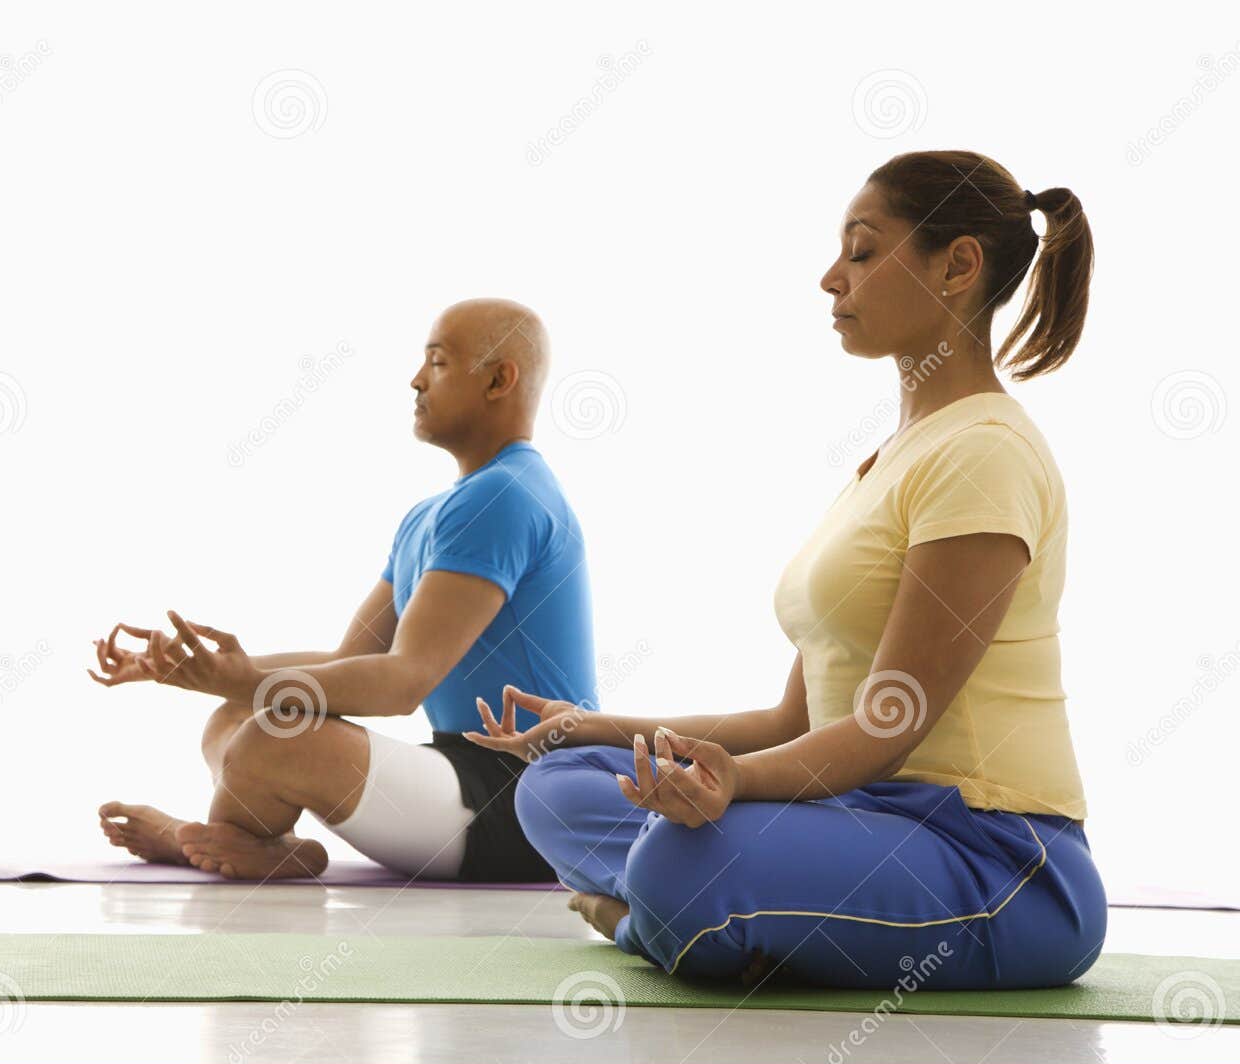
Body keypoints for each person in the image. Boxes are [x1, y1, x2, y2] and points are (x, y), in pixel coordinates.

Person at [467, 151, 1107, 990]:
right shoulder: (890, 462)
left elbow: (887, 726)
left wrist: (730, 786)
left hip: (1000, 859)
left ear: (957, 266)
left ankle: (653, 916)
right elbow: (789, 720)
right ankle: (710, 914)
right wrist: (595, 726)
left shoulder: (983, 453)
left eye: (864, 251)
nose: (830, 278)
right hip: (862, 817)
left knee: (673, 860)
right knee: (556, 786)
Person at [92, 298, 597, 882]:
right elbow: (351, 662)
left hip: (528, 798)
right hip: (461, 775)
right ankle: (250, 841)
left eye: (437, 362)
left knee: (268, 729)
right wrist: (203, 670)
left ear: (498, 379)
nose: (415, 380)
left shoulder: (506, 494)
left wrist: (245, 679)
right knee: (237, 711)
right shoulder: (430, 515)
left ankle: (205, 839)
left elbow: (404, 682)